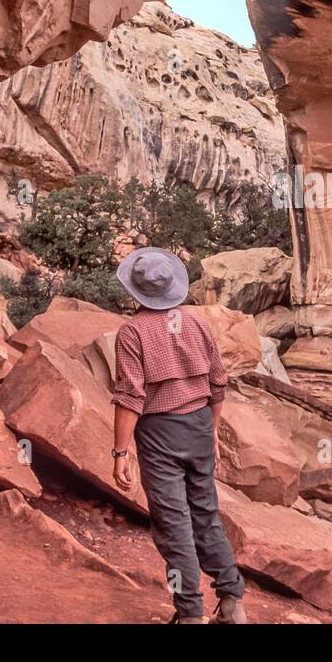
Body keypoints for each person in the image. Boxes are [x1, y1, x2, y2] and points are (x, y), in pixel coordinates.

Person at [111, 247, 248, 625]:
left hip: (159, 432)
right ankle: (232, 599)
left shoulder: (133, 332)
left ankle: (190, 614)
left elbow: (130, 397)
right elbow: (218, 381)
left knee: (173, 523)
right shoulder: (197, 323)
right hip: (200, 423)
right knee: (205, 513)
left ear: (135, 291)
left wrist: (120, 453)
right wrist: (213, 430)